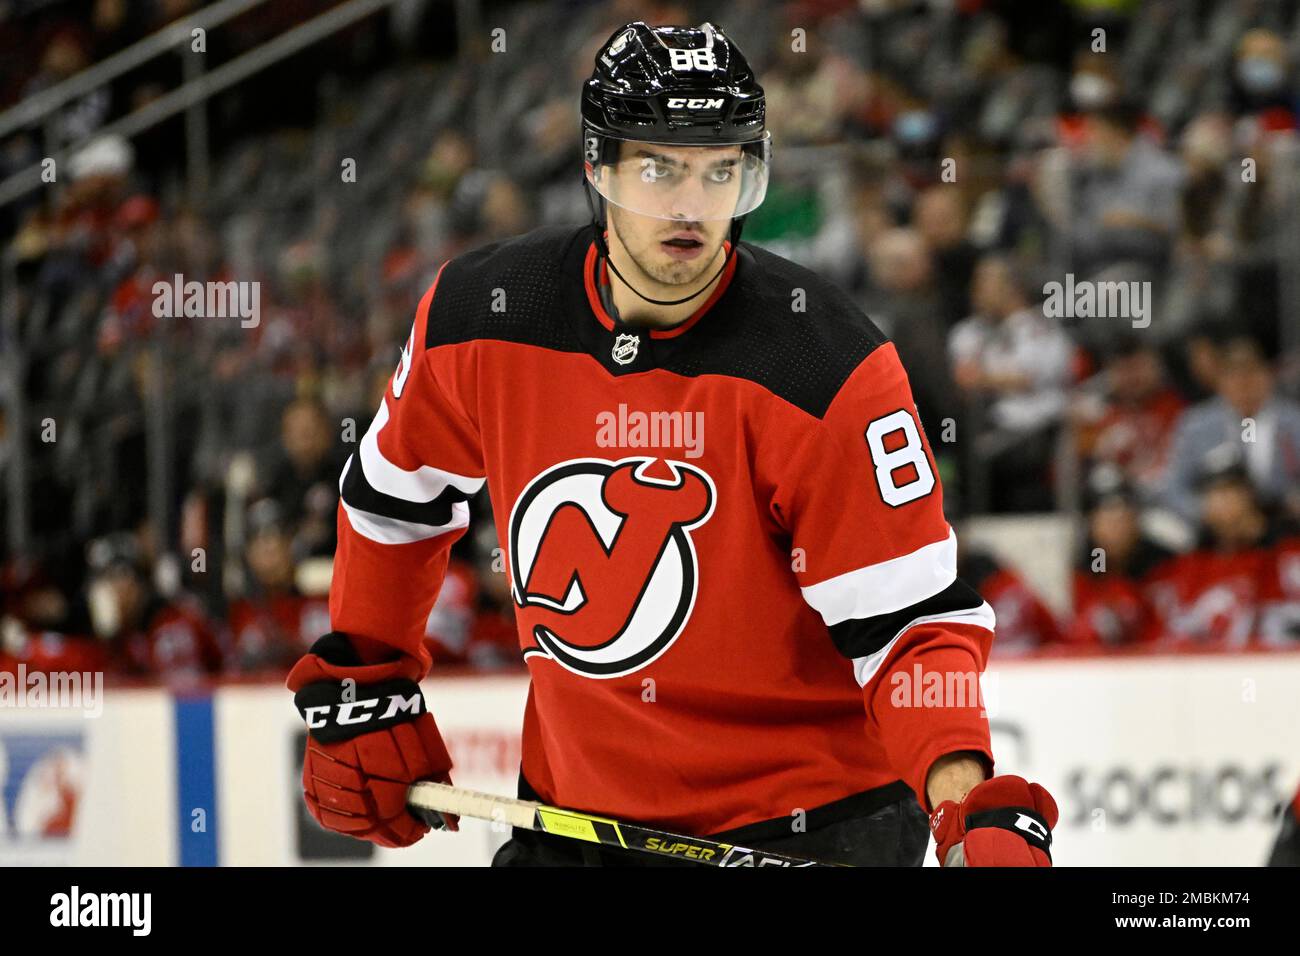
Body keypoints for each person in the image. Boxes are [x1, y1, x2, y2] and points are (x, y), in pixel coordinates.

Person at [287, 21, 1055, 868]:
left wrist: (963, 805)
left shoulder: (823, 364)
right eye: (660, 168)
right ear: (596, 166)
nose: (693, 207)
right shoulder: (485, 313)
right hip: (572, 828)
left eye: (721, 170)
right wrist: (367, 682)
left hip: (808, 836)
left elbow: (910, 624)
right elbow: (395, 497)